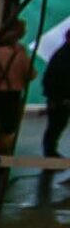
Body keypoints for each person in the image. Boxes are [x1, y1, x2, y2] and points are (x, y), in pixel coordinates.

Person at [0, 17, 33, 153]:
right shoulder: (19, 53)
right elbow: (30, 73)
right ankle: (3, 159)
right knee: (8, 130)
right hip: (11, 95)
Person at [44, 31, 70, 159]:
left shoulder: (62, 54)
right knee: (57, 124)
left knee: (56, 124)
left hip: (59, 97)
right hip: (60, 97)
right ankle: (50, 152)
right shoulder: (64, 55)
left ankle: (50, 151)